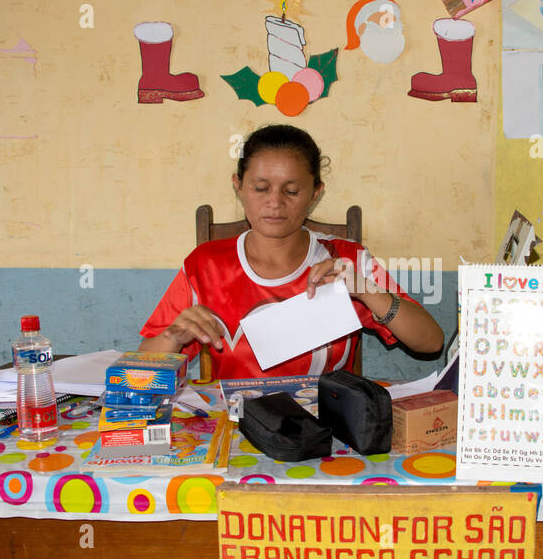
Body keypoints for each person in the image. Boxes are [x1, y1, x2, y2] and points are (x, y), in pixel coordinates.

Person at [139, 125, 444, 378]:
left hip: (327, 429)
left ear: (315, 192)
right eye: (260, 188)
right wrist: (173, 337)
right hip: (235, 426)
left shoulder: (346, 260)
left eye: (292, 191)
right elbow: (139, 373)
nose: (275, 202)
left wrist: (365, 290)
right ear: (239, 186)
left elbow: (431, 343)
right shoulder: (205, 265)